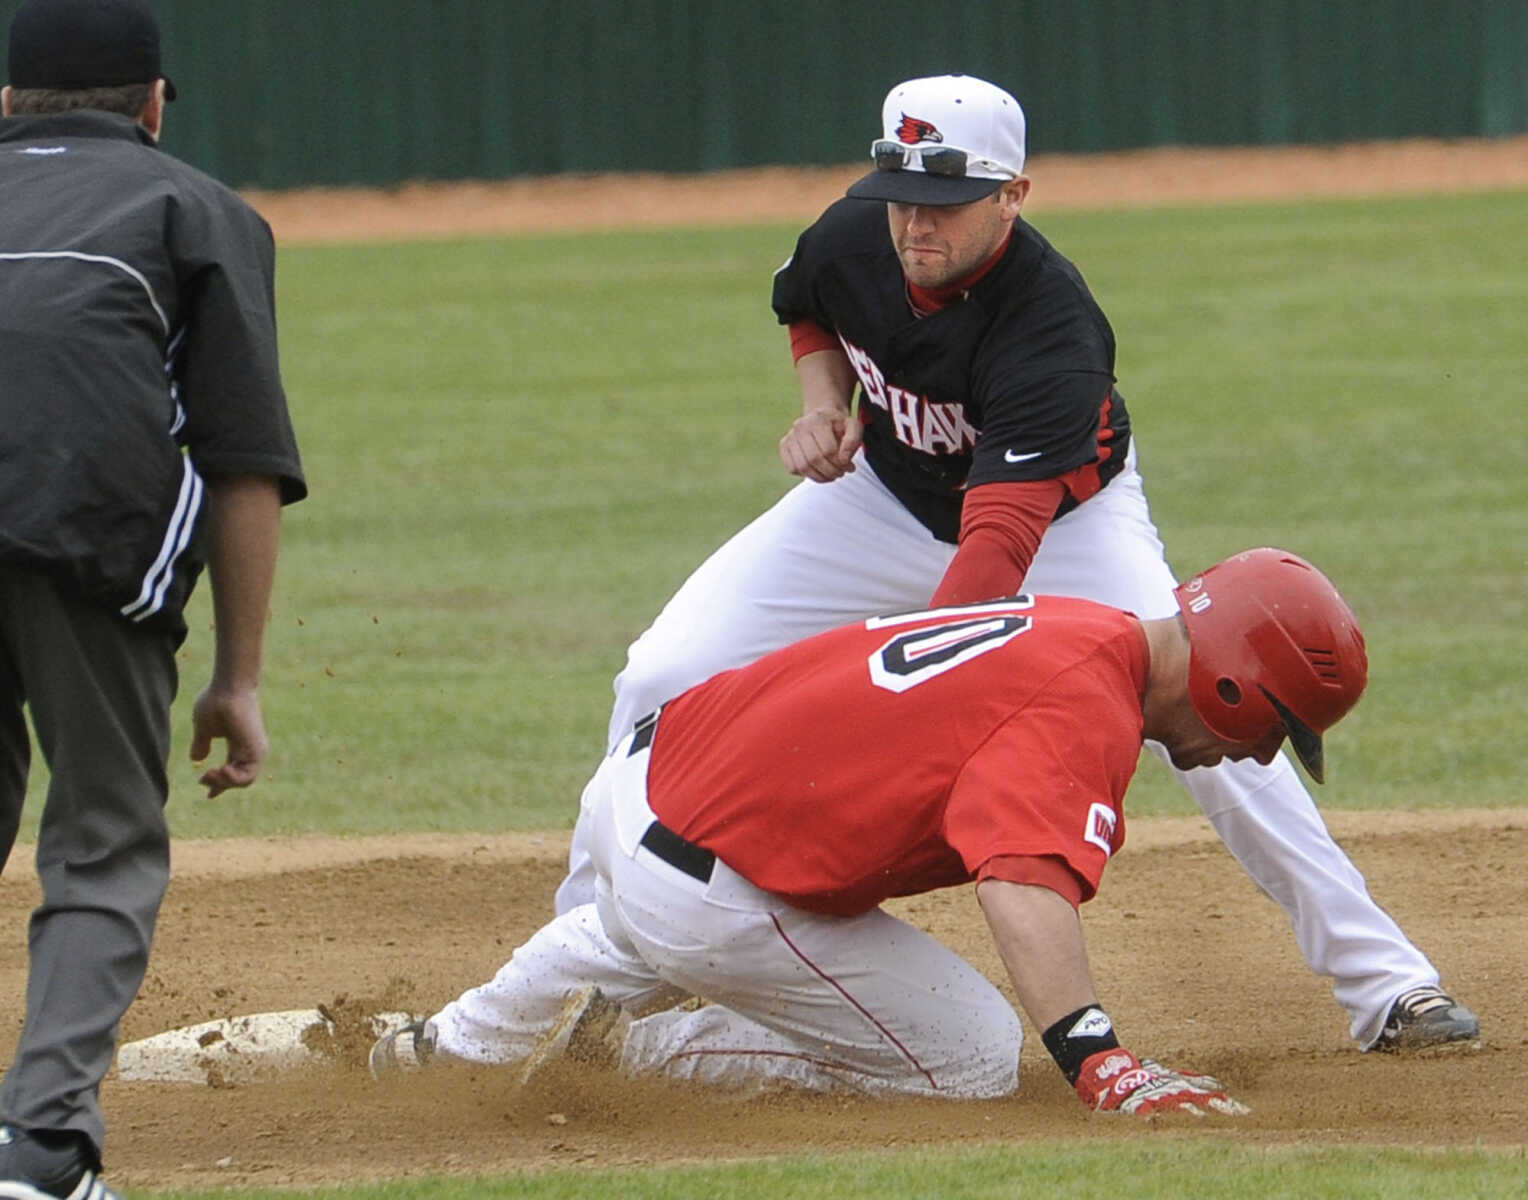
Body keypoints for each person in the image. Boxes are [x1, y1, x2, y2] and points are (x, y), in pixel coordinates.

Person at [552, 73, 1477, 1058]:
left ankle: (1387, 987)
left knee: (1216, 711)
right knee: (656, 672)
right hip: (881, 496)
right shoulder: (859, 228)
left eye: (947, 204)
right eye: (903, 194)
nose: (917, 221)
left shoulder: (1052, 327)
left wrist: (896, 706)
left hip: (1063, 522)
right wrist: (823, 404)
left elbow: (991, 564)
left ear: (1011, 197)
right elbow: (807, 305)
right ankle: (579, 967)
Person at [373, 549, 1360, 1113]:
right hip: (709, 877)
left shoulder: (1080, 626)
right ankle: (629, 1053)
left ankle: (457, 1042)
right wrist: (1098, 1058)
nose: (1263, 754)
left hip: (647, 787)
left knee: (638, 932)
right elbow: (1021, 882)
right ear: (1233, 684)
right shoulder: (1088, 705)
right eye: (1276, 729)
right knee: (971, 1054)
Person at [0, 1, 306, 1195]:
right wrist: (237, 677)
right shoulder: (195, 209)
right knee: (106, 840)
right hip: (90, 525)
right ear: (153, 102)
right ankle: (43, 1150)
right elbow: (240, 462)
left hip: (71, 512)